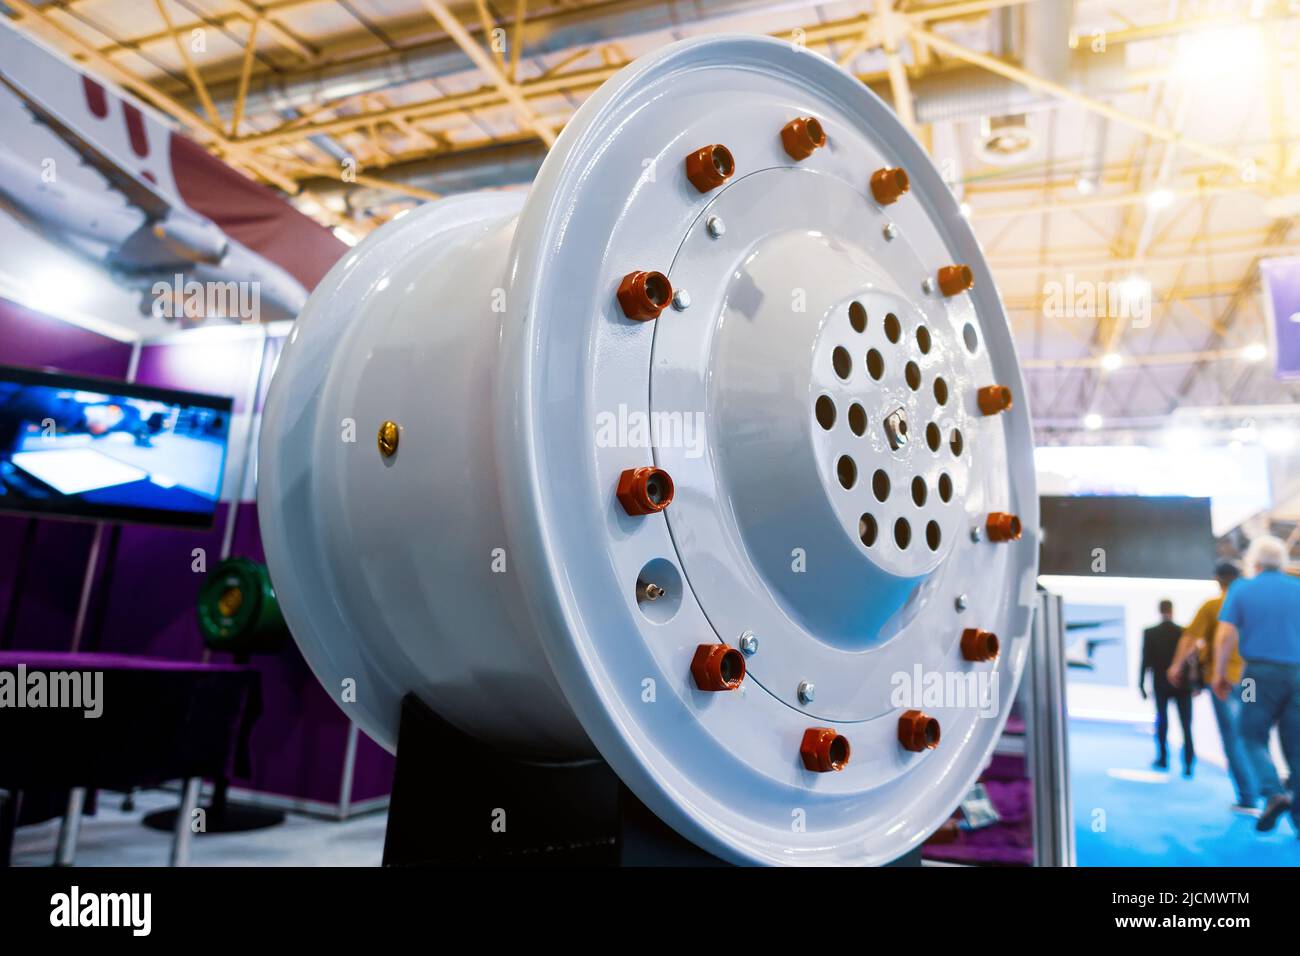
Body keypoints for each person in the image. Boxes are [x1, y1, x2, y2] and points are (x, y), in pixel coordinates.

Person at [1213, 535, 1300, 836]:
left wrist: (1219, 675)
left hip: (1254, 676)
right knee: (1297, 746)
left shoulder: (1242, 588)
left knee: (1249, 733)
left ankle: (1273, 793)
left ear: (1255, 563)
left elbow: (1225, 637)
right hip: (1298, 675)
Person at [1170, 562, 1258, 813]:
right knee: (1252, 734)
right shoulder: (1251, 605)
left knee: (1232, 736)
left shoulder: (1213, 606)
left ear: (1217, 580)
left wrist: (1176, 666)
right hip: (1250, 679)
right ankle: (1266, 789)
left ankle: (1248, 796)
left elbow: (1189, 638)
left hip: (1223, 681)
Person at [1141, 599, 1194, 776]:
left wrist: (1141, 683)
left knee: (1162, 722)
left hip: (1161, 684)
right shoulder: (1183, 632)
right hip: (1182, 685)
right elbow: (1191, 660)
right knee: (1186, 725)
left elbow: (1145, 660)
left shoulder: (1150, 633)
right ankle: (1188, 764)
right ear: (1172, 610)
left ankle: (1163, 759)